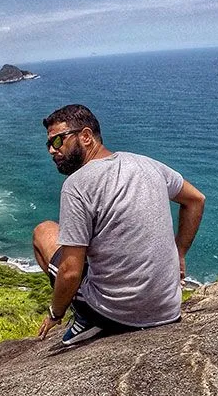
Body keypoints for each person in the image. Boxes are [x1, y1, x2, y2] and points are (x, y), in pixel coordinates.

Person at [34, 104, 205, 346]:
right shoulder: (147, 164)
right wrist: (180, 254)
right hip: (168, 308)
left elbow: (70, 271)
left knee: (43, 231)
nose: (52, 150)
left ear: (85, 136)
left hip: (115, 315)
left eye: (59, 141)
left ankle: (83, 316)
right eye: (49, 144)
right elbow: (196, 200)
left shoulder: (76, 185)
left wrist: (55, 313)